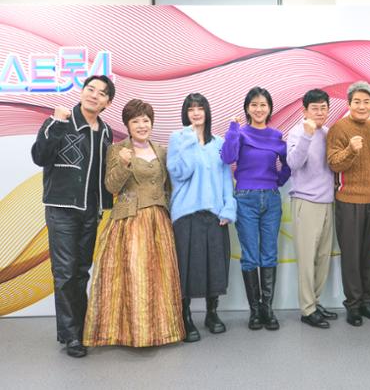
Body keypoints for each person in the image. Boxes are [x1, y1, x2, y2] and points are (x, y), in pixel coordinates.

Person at [83, 99, 184, 347]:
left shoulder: (162, 151)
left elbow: (171, 187)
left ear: (152, 123)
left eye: (145, 120)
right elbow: (111, 187)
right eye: (135, 121)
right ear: (127, 126)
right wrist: (124, 164)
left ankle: (161, 332)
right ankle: (130, 334)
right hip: (129, 220)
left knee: (160, 277)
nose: (141, 125)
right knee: (132, 276)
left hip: (159, 221)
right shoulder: (117, 150)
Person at [31, 75, 115, 358]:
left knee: (81, 272)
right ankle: (72, 336)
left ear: (107, 103)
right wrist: (55, 124)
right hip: (62, 209)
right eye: (90, 89)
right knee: (65, 273)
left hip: (91, 211)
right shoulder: (60, 121)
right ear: (82, 92)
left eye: (101, 93)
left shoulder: (106, 132)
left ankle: (77, 329)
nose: (94, 95)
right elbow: (39, 157)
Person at [167, 93, 237, 342]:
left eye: (200, 108)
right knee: (186, 268)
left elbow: (226, 178)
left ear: (207, 112)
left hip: (214, 213)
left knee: (215, 265)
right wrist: (189, 140)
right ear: (185, 114)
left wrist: (228, 208)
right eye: (191, 109)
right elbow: (180, 173)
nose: (196, 113)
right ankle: (185, 316)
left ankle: (212, 313)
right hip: (186, 213)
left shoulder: (219, 142)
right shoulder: (177, 138)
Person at [221, 87, 290, 331]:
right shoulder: (239, 133)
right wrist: (232, 129)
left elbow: (288, 165)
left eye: (263, 105)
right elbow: (227, 157)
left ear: (269, 108)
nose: (259, 109)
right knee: (250, 255)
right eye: (254, 105)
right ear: (247, 108)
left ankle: (267, 309)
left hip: (271, 200)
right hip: (245, 199)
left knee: (269, 254)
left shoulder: (276, 136)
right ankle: (255, 311)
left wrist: (277, 181)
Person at [326, 81, 370, 327]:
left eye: (366, 102)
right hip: (348, 201)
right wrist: (351, 149)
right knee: (351, 256)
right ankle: (353, 305)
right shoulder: (339, 128)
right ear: (349, 104)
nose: (362, 106)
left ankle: (367, 302)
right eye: (357, 102)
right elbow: (333, 163)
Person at [287, 89, 338, 329]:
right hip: (306, 202)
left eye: (323, 108)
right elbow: (293, 163)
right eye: (314, 108)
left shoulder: (328, 133)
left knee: (322, 258)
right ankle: (307, 310)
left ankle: (315, 302)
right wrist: (307, 136)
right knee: (307, 261)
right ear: (304, 111)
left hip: (328, 202)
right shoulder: (297, 132)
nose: (319, 112)